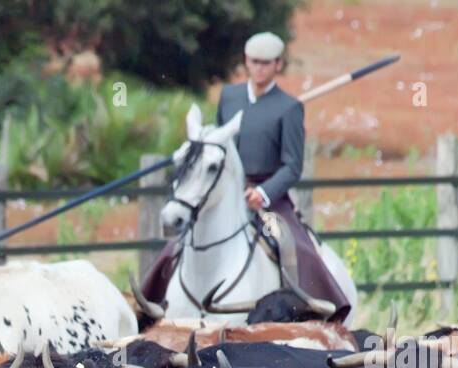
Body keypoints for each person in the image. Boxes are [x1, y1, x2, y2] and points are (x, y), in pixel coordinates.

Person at [141, 32, 350, 319]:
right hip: (224, 188)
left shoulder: (289, 108)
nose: (259, 68)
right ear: (246, 62)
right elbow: (219, 144)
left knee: (296, 244)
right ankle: (149, 308)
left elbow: (292, 166)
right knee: (180, 241)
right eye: (254, 62)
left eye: (266, 63)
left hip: (268, 197)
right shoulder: (230, 96)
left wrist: (263, 193)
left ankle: (320, 312)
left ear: (278, 64)